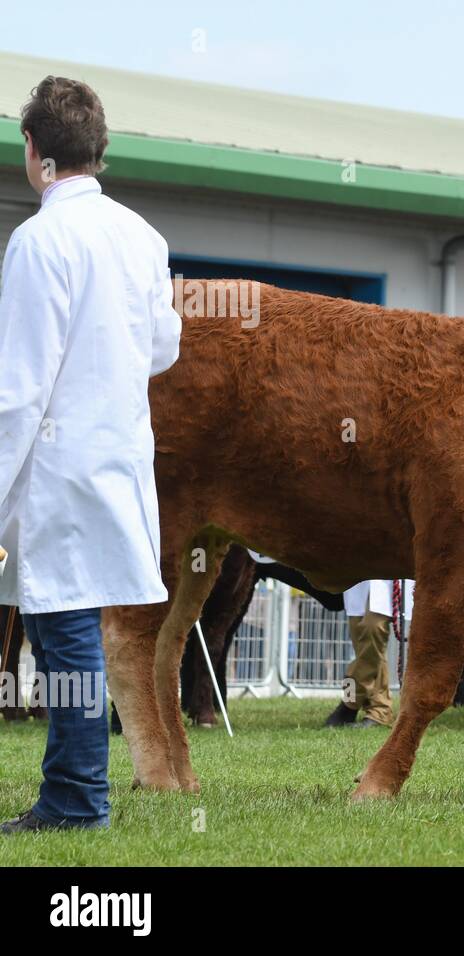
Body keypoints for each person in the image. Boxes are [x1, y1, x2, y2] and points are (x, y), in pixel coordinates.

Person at [0, 77, 182, 833]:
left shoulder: (39, 240)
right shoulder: (142, 237)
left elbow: (19, 387)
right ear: (98, 150)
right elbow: (164, 348)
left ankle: (77, 799)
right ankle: (69, 790)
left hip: (57, 468)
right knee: (64, 627)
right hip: (117, 456)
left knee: (66, 630)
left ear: (34, 150)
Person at [323, 579, 411, 729]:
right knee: (366, 649)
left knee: (373, 630)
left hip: (387, 577)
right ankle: (379, 710)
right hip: (357, 578)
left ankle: (349, 702)